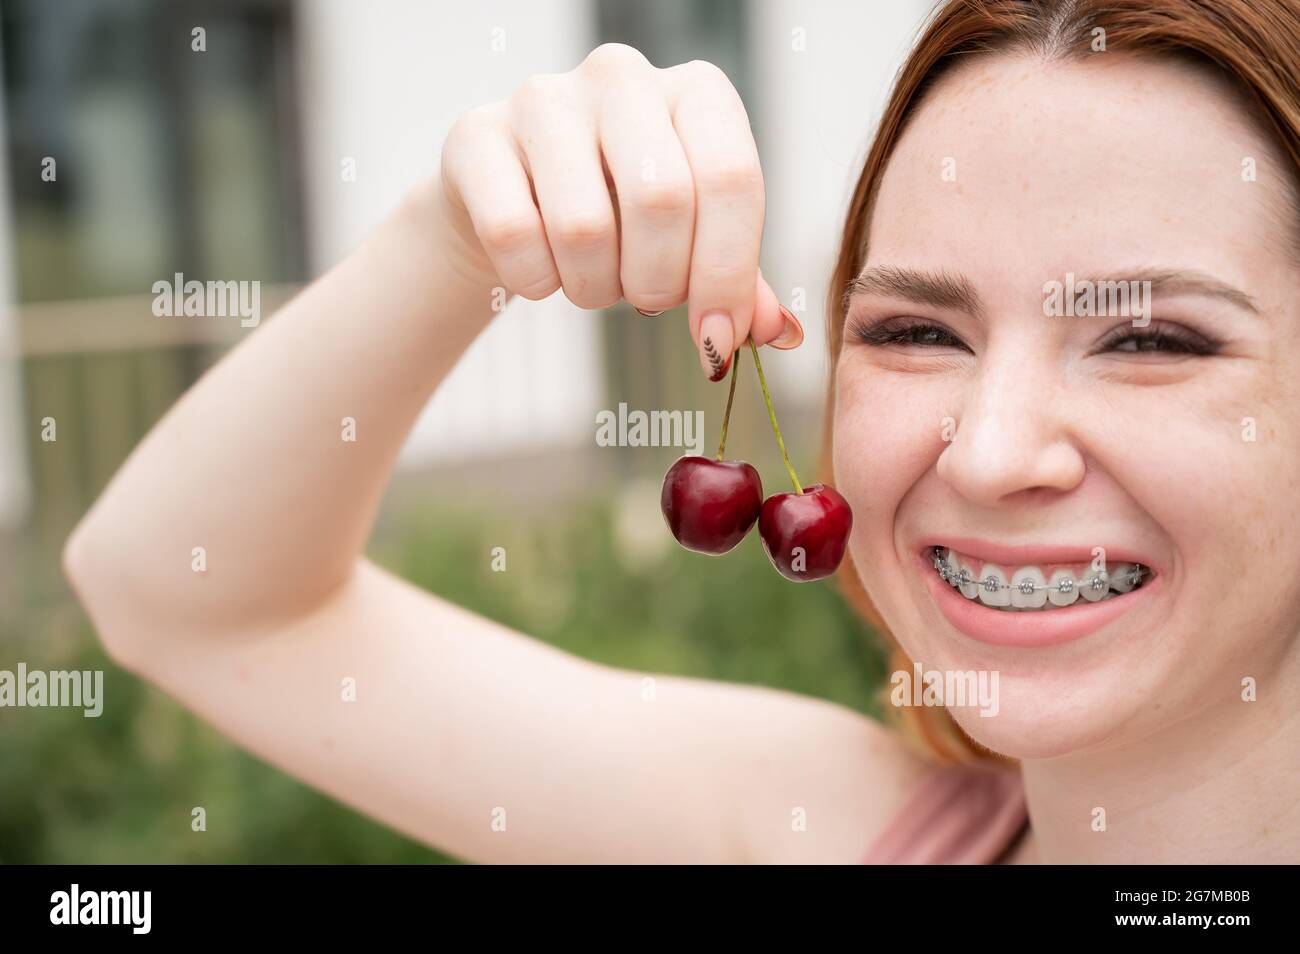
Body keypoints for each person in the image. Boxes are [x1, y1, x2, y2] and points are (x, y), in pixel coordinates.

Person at [64, 0, 1300, 863]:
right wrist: (450, 243)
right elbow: (186, 596)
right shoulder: (824, 831)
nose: (984, 452)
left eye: (1151, 343)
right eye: (918, 334)